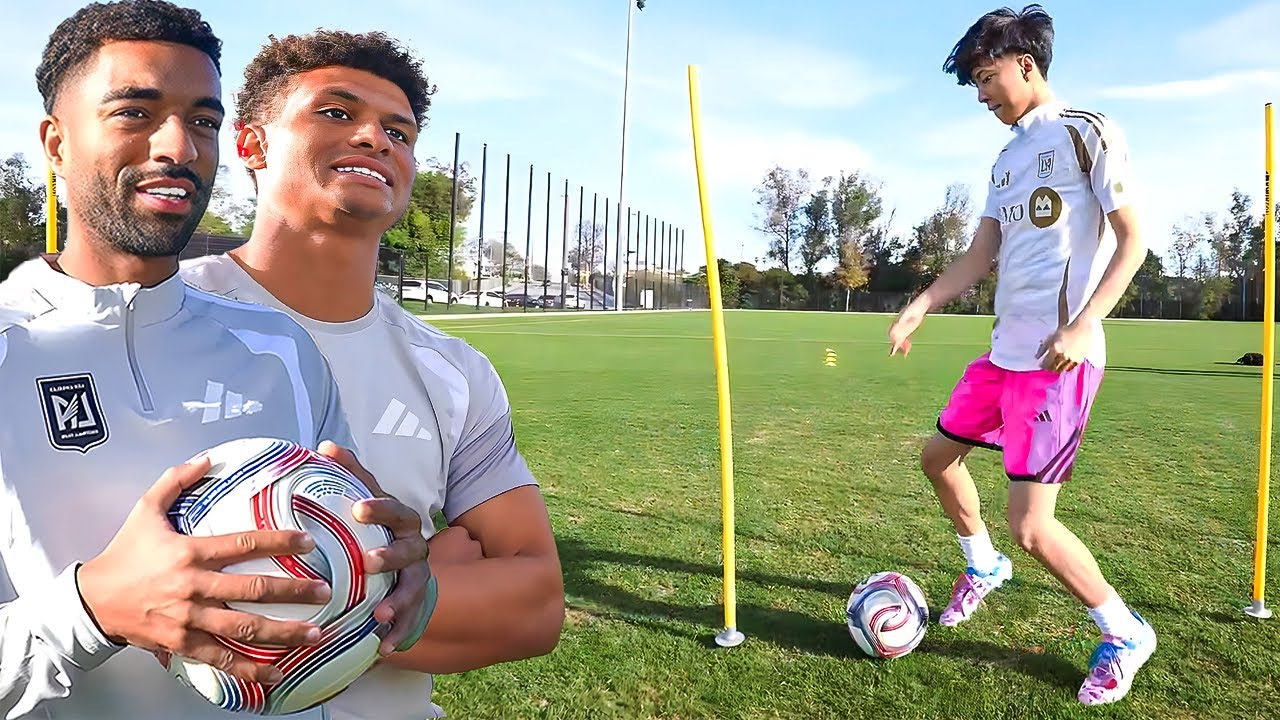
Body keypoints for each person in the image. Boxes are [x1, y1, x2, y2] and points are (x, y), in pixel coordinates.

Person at [0, 3, 433, 718]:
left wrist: (407, 589)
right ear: (55, 143)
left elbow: (359, 577)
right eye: (134, 113)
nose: (178, 146)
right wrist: (95, 608)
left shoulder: (282, 350)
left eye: (202, 120)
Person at [180, 29, 564, 719]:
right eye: (336, 112)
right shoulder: (140, 320)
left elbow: (538, 604)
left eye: (399, 130)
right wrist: (403, 586)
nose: (374, 137)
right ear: (251, 143)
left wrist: (337, 603)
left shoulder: (453, 371)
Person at [887, 4, 1154, 706]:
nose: (981, 95)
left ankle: (1124, 630)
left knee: (1033, 526)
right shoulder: (1006, 158)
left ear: (1025, 65)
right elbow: (981, 255)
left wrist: (1081, 326)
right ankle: (982, 565)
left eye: (986, 76)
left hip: (1057, 364)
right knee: (936, 460)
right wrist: (925, 302)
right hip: (1002, 356)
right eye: (976, 81)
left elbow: (1133, 242)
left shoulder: (1087, 133)